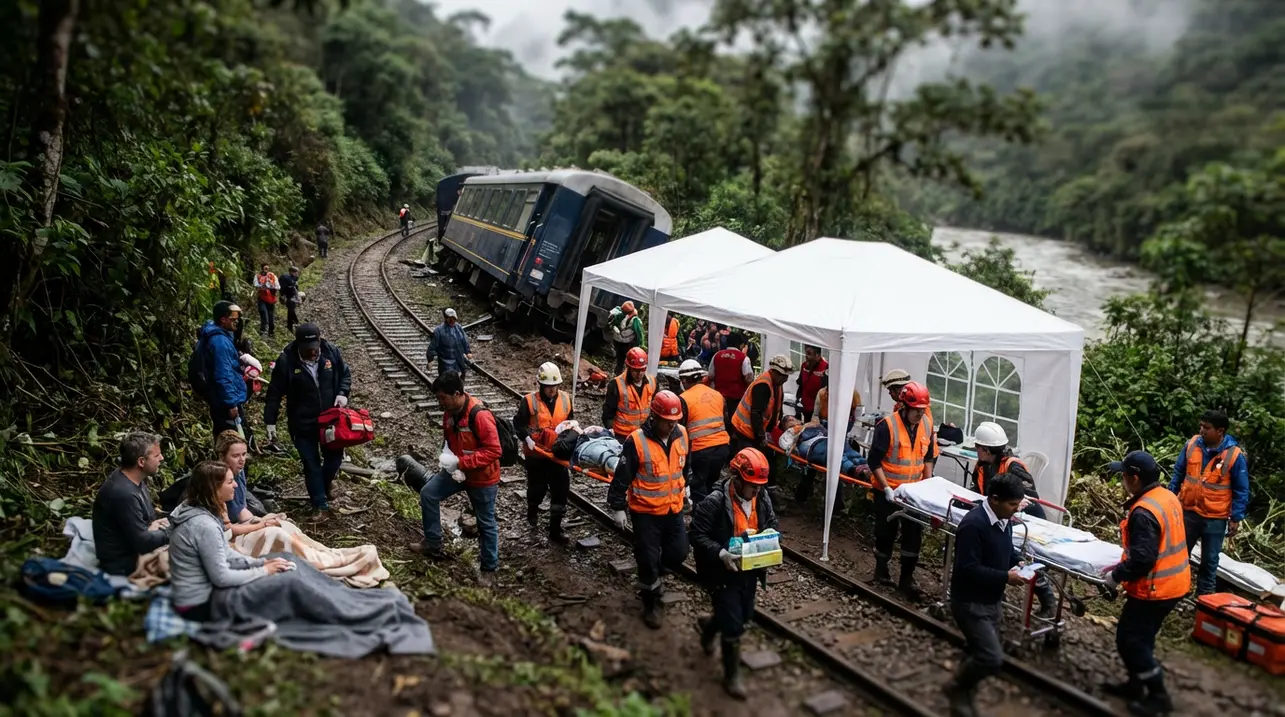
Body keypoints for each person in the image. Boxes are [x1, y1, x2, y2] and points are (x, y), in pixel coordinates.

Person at [1102, 451, 1190, 717]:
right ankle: (1135, 684)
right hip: (1174, 582)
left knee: (1130, 641)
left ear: (1135, 478)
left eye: (1124, 476)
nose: (1123, 481)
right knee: (1142, 638)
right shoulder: (1166, 497)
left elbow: (1143, 559)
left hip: (1156, 588)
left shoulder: (1144, 512)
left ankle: (1157, 695)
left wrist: (1115, 576)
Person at [691, 447, 778, 699]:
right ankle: (732, 676)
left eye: (759, 486)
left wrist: (766, 540)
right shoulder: (714, 502)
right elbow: (697, 535)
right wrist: (721, 553)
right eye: (752, 485)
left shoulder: (761, 498)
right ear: (737, 479)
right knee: (733, 626)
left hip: (748, 570)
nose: (756, 490)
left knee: (745, 615)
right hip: (722, 572)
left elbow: (772, 523)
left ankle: (709, 625)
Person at [945, 472, 1030, 717]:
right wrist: (1006, 577)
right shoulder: (974, 525)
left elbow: (1004, 551)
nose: (1015, 510)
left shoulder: (1003, 520)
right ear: (994, 499)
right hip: (970, 602)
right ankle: (957, 688)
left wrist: (1019, 561)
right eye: (1012, 504)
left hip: (992, 600)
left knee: (976, 649)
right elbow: (967, 568)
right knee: (991, 658)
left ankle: (964, 696)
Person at [169, 461, 294, 620]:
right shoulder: (204, 525)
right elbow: (222, 578)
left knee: (278, 571)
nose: (235, 484)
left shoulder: (199, 510)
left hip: (202, 594)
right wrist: (265, 571)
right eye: (229, 481)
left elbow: (225, 552)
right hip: (196, 604)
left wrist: (260, 563)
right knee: (279, 586)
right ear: (213, 488)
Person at [608, 390, 691, 629]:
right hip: (645, 513)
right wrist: (618, 507)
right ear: (655, 417)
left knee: (679, 553)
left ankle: (655, 572)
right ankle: (651, 601)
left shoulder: (682, 435)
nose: (672, 425)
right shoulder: (636, 441)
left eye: (676, 421)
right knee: (648, 558)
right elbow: (622, 477)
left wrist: (686, 489)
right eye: (668, 421)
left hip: (673, 509)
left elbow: (685, 467)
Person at [416, 371, 502, 586]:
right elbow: (449, 439)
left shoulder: (479, 415)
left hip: (482, 478)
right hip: (456, 473)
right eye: (438, 398)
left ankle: (489, 568)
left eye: (442, 397)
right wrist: (446, 457)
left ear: (457, 393)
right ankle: (433, 542)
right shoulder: (450, 412)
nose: (440, 402)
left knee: (486, 522)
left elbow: (494, 450)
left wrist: (462, 464)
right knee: (429, 493)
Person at [970, 421, 1056, 617]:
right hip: (1001, 517)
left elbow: (1030, 496)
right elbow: (977, 491)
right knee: (994, 552)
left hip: (1027, 518)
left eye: (977, 447)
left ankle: (1047, 599)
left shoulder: (1013, 467)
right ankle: (996, 593)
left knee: (1018, 557)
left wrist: (1010, 508)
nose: (976, 451)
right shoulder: (982, 466)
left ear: (986, 449)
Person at [264, 322, 351, 516]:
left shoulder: (331, 353)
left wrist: (343, 393)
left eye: (315, 349)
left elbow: (345, 374)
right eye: (307, 350)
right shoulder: (287, 361)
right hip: (302, 423)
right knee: (310, 463)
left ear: (320, 342)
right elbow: (275, 392)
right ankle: (319, 505)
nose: (312, 353)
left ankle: (324, 484)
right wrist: (270, 420)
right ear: (298, 345)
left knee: (333, 461)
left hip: (331, 421)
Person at [1167, 409, 1249, 596]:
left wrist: (1235, 518)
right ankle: (1175, 591)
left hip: (1215, 518)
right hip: (1189, 511)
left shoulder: (1234, 456)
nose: (1202, 430)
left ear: (1220, 431)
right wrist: (1170, 498)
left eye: (1207, 427)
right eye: (1201, 426)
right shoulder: (1191, 445)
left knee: (1209, 562)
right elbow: (1178, 474)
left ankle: (1204, 600)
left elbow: (1241, 489)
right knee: (1179, 555)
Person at [868, 381, 937, 597]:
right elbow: (874, 461)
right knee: (885, 533)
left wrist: (927, 486)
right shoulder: (886, 426)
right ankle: (881, 569)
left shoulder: (926, 425)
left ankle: (907, 578)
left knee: (913, 535)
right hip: (888, 491)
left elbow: (928, 457)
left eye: (922, 410)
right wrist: (887, 488)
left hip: (913, 493)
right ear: (904, 407)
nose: (919, 414)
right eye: (915, 411)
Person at [92, 432, 170, 576]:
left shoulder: (135, 479)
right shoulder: (124, 493)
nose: (162, 458)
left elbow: (147, 517)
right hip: (123, 564)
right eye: (157, 455)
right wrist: (172, 531)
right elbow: (143, 543)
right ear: (141, 462)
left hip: (137, 549)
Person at [514, 362, 573, 544]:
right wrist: (527, 438)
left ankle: (555, 529)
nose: (551, 391)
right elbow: (518, 423)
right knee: (537, 488)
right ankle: (533, 508)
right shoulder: (529, 402)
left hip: (557, 454)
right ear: (540, 385)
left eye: (554, 387)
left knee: (560, 490)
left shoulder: (565, 400)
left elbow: (571, 423)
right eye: (548, 387)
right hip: (537, 455)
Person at [677, 359, 731, 505]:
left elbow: (679, 430)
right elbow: (726, 422)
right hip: (722, 448)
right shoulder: (718, 395)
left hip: (700, 450)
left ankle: (700, 519)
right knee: (711, 484)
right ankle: (711, 516)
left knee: (698, 486)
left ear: (684, 379)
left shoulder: (683, 399)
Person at [215, 430, 282, 538]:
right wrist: (262, 524)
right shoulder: (217, 479)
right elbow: (233, 522)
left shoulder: (239, 471)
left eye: (244, 454)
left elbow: (242, 507)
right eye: (236, 455)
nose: (242, 460)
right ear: (222, 457)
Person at [199, 301, 248, 441]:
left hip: (219, 394)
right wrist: (231, 403)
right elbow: (223, 374)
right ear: (223, 319)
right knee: (230, 436)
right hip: (222, 398)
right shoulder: (220, 342)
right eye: (233, 320)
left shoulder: (218, 333)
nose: (236, 322)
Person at [728, 354, 793, 457]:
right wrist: (761, 437)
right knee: (747, 460)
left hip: (754, 429)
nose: (785, 379)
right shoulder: (763, 386)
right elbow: (756, 413)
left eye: (786, 376)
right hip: (745, 429)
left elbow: (777, 408)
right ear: (774, 372)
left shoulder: (777, 385)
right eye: (783, 375)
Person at [602, 346, 656, 443]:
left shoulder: (652, 382)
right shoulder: (616, 385)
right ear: (629, 368)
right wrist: (610, 431)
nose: (639, 373)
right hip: (622, 435)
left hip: (643, 432)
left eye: (642, 370)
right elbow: (608, 413)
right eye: (636, 370)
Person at [709, 333, 754, 426]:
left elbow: (710, 375)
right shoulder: (743, 358)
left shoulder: (717, 355)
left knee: (719, 422)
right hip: (736, 398)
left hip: (718, 396)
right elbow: (748, 379)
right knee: (734, 424)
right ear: (740, 344)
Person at [883, 368, 936, 440]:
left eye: (891, 390)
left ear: (899, 389)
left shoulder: (920, 407)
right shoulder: (898, 407)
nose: (890, 393)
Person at [426, 308, 472, 380]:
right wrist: (430, 359)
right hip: (445, 359)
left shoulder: (458, 328)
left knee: (462, 372)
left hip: (458, 357)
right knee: (447, 378)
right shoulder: (439, 330)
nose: (452, 320)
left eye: (454, 318)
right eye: (449, 318)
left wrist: (467, 351)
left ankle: (459, 389)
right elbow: (433, 346)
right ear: (446, 318)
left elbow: (464, 340)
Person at [794, 346, 828, 423]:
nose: (806, 356)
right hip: (805, 407)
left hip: (818, 411)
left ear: (818, 355)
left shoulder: (826, 367)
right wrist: (798, 400)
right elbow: (800, 384)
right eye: (805, 353)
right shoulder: (804, 365)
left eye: (809, 354)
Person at [609, 301, 644, 374]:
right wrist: (639, 345)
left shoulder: (622, 316)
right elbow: (639, 335)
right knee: (623, 360)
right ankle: (621, 374)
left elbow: (612, 323)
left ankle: (619, 373)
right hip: (625, 343)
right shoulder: (633, 320)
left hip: (622, 342)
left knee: (621, 360)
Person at [253, 263, 279, 337]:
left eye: (267, 268)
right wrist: (263, 285)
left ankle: (271, 332)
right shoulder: (258, 276)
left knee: (271, 316)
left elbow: (277, 286)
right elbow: (256, 284)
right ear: (262, 269)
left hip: (271, 298)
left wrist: (272, 286)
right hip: (262, 298)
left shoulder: (272, 276)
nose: (266, 270)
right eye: (265, 268)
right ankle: (263, 331)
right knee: (263, 313)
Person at [279, 266, 302, 333]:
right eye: (295, 272)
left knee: (290, 311)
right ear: (291, 272)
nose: (297, 274)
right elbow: (282, 288)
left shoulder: (295, 278)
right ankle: (296, 323)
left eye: (297, 272)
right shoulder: (285, 278)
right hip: (287, 297)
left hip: (293, 296)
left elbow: (295, 287)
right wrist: (282, 295)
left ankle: (290, 326)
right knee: (291, 310)